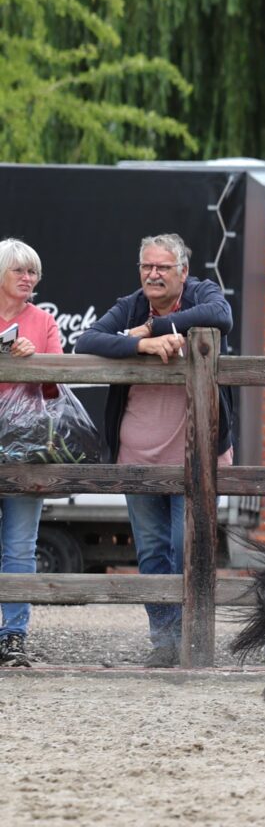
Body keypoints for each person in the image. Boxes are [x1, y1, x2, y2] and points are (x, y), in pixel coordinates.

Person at [74, 233, 236, 667]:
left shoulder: (201, 293)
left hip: (196, 459)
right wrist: (141, 343)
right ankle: (165, 642)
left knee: (191, 549)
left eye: (163, 267)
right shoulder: (130, 305)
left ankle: (194, 641)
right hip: (138, 458)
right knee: (150, 554)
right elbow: (87, 341)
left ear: (183, 271)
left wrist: (160, 327)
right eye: (147, 266)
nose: (153, 274)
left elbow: (221, 316)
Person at [0, 239, 63, 668]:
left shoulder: (44, 322)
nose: (28, 278)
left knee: (20, 546)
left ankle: (13, 636)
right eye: (19, 270)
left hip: (26, 446)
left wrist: (34, 360)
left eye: (33, 272)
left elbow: (58, 386)